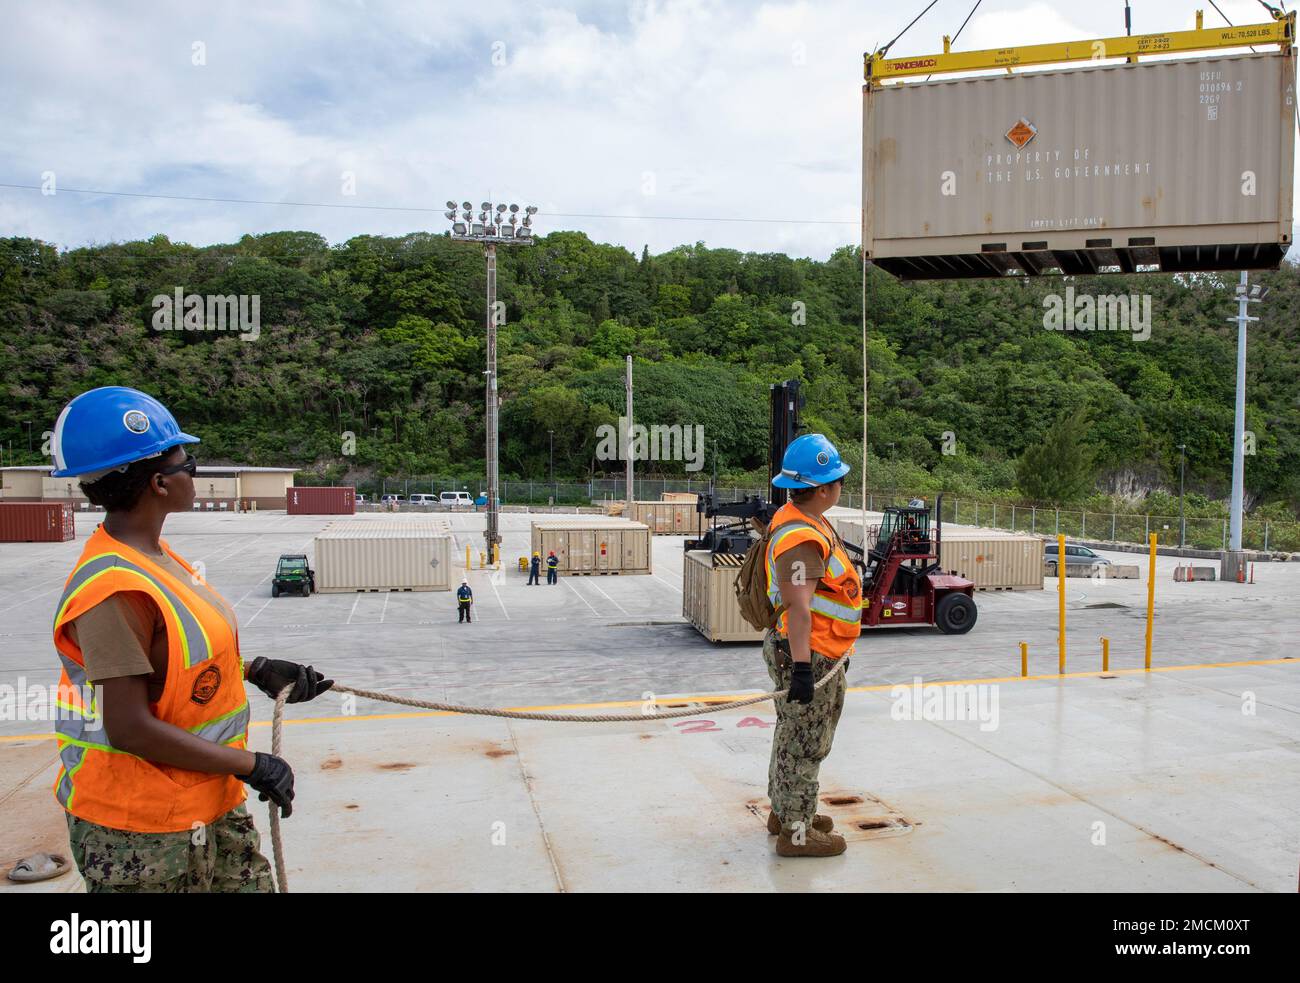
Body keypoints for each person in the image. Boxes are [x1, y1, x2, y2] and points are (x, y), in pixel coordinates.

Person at [49, 386, 333, 893]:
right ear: (159, 483)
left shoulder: (154, 558)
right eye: (189, 463)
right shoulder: (112, 589)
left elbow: (173, 655)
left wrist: (256, 669)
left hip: (205, 802)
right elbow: (129, 728)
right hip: (142, 832)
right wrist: (254, 765)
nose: (194, 472)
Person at [762, 433, 863, 858]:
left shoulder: (804, 517)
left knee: (791, 733)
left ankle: (786, 812)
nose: (841, 485)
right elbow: (799, 607)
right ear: (822, 488)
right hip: (811, 654)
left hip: (814, 651)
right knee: (807, 741)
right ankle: (797, 832)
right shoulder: (800, 538)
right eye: (838, 479)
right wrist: (804, 670)